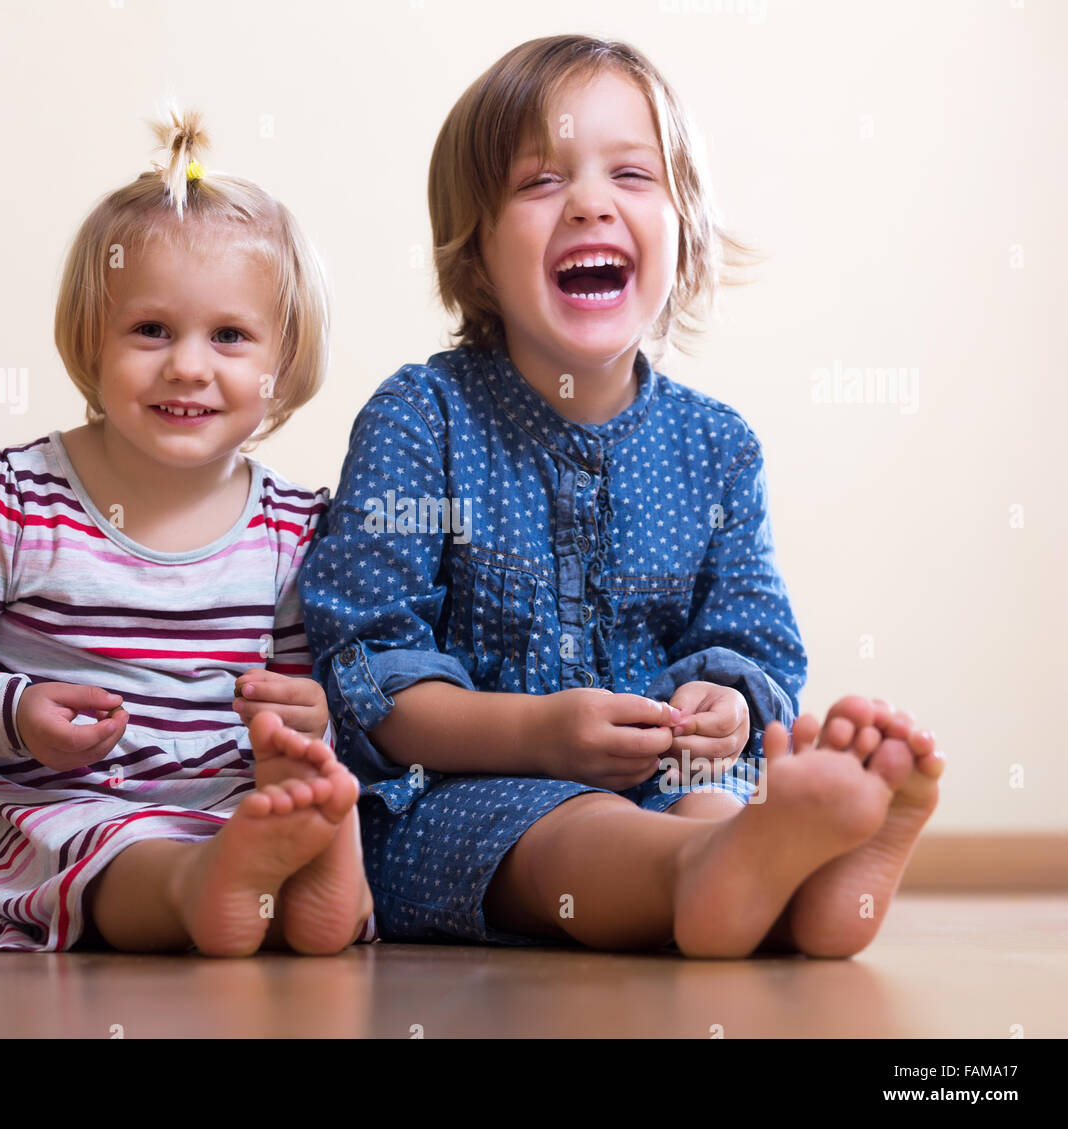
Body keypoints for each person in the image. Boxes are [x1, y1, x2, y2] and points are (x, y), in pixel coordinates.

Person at [299, 36, 943, 958]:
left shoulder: (718, 446)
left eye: (632, 175)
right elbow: (369, 672)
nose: (591, 202)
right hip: (465, 796)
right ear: (475, 254)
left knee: (712, 790)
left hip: (670, 781)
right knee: (569, 831)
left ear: (684, 229)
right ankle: (722, 877)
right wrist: (542, 735)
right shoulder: (423, 418)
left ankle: (775, 879)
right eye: (539, 183)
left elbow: (748, 639)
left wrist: (722, 708)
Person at [0, 106, 373, 956]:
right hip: (62, 815)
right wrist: (15, 709)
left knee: (278, 817)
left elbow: (300, 689)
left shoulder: (294, 525)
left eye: (230, 335)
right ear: (89, 341)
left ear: (280, 367)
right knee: (122, 857)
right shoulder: (12, 498)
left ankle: (315, 879)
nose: (187, 364)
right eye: (150, 330)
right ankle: (208, 887)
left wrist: (306, 724)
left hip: (234, 810)